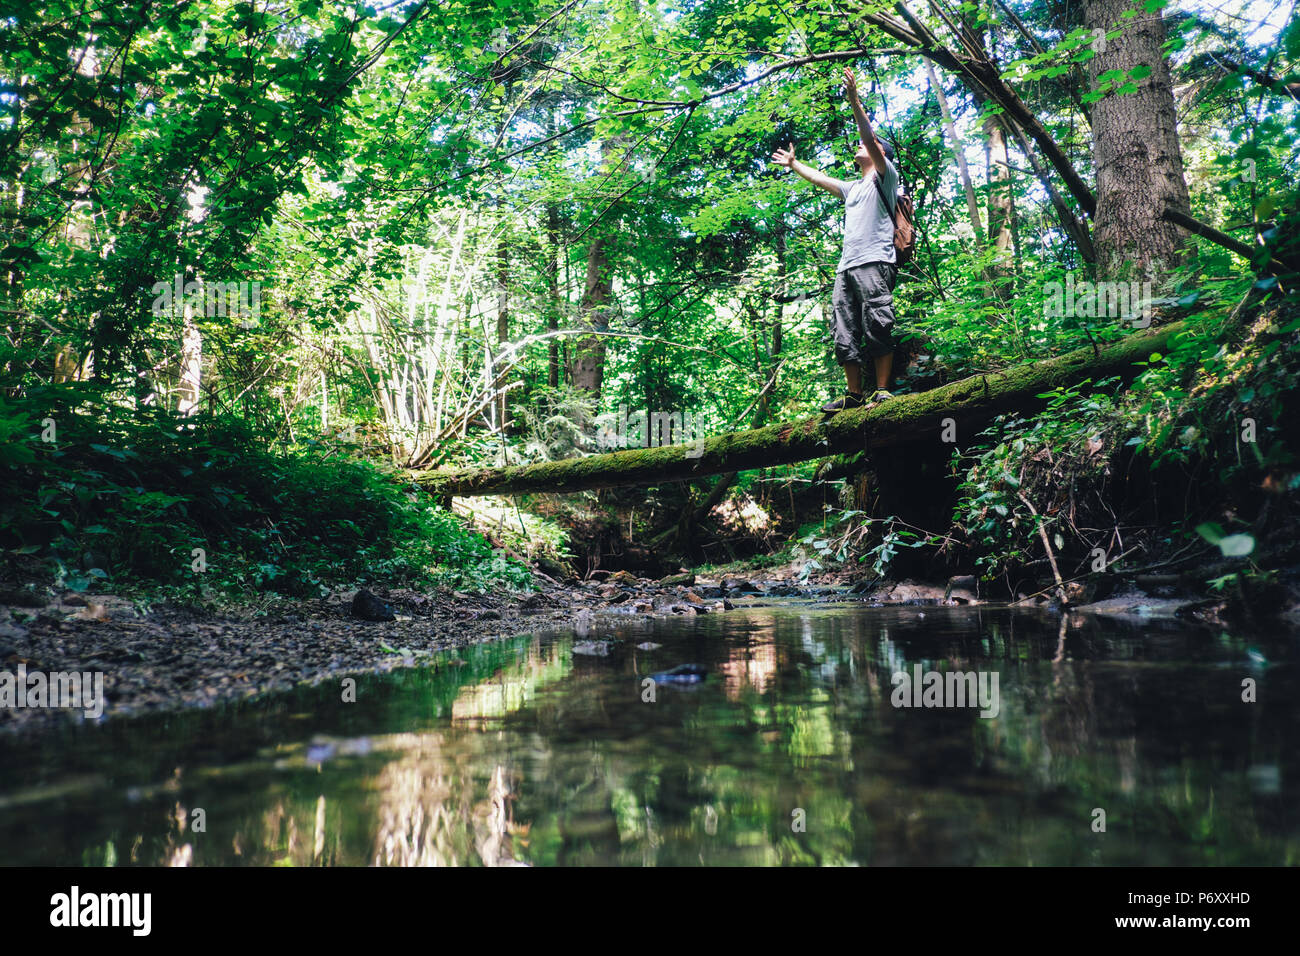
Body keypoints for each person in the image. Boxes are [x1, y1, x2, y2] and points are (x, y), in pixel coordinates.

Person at [771, 66, 902, 414]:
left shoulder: (885, 177)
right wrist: (795, 165)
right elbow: (820, 179)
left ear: (880, 153)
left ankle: (883, 390)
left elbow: (869, 138)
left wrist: (855, 101)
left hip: (874, 262)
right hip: (846, 268)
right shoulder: (853, 188)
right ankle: (854, 394)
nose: (860, 146)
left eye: (867, 145)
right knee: (843, 329)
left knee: (878, 322)